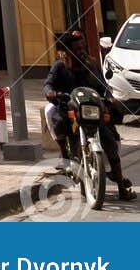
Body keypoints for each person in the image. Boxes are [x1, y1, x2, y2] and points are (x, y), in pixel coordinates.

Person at [44, 29, 135, 201]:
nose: (81, 51)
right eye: (77, 49)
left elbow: (103, 85)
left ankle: (121, 186)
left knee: (110, 140)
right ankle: (65, 156)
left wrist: (109, 97)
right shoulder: (60, 66)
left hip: (92, 109)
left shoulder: (91, 63)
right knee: (57, 119)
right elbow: (49, 83)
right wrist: (50, 92)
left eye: (83, 47)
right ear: (68, 51)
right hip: (71, 108)